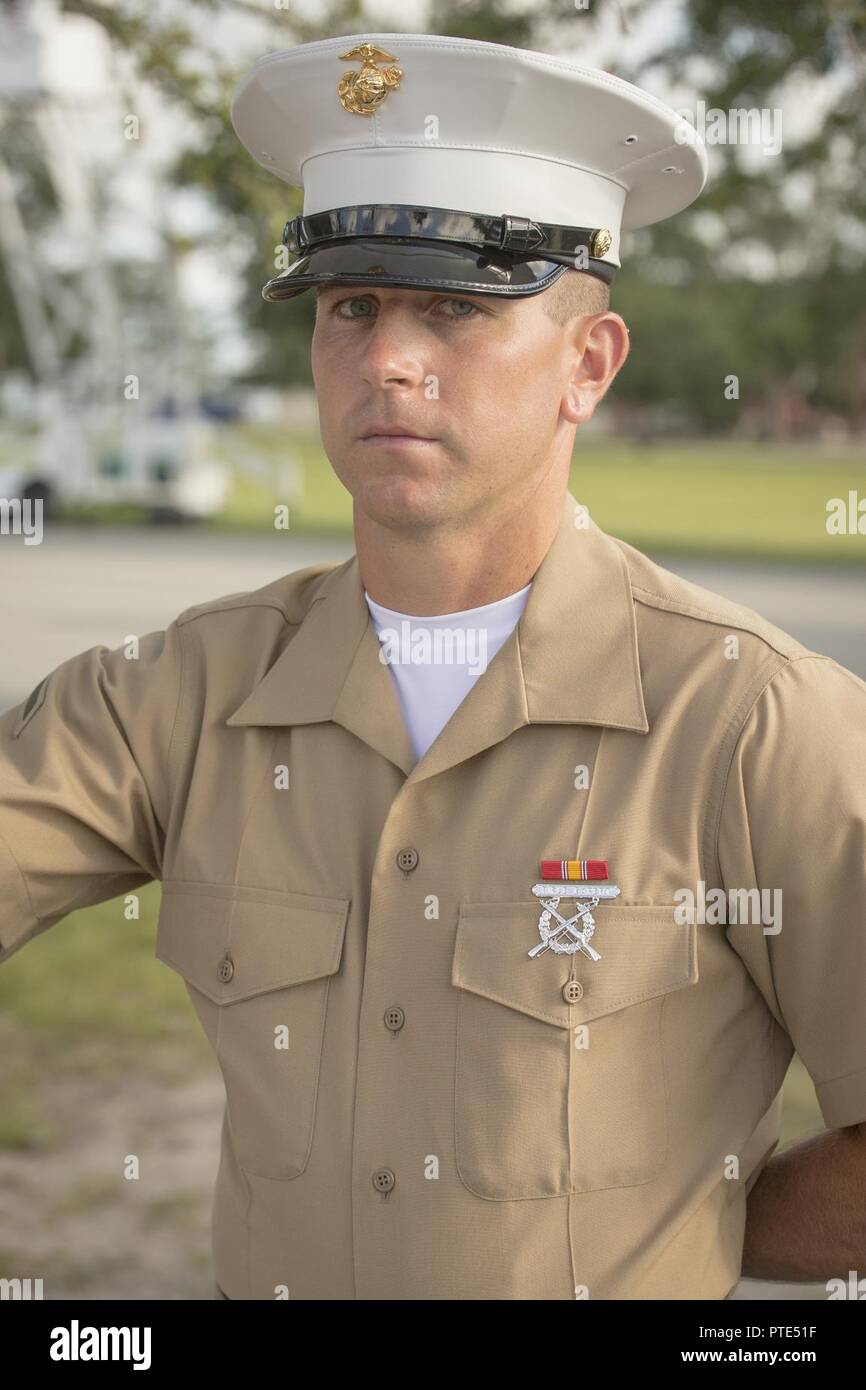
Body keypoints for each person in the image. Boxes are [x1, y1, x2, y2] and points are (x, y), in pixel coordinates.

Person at [1, 32, 864, 1302]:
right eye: (351, 307)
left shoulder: (751, 722)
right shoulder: (171, 695)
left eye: (455, 307)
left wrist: (702, 1226)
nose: (387, 359)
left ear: (588, 364)